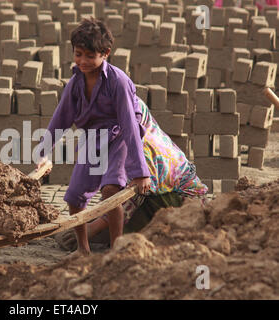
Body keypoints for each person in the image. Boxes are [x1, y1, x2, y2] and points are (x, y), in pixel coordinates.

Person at [35, 18, 208, 257]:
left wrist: (140, 173)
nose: (83, 62)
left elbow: (129, 125)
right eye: (78, 54)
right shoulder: (75, 84)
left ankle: (117, 247)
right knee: (74, 194)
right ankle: (82, 248)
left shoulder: (118, 81)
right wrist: (44, 152)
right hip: (93, 140)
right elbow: (61, 118)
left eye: (89, 56)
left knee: (111, 190)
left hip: (119, 138)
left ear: (105, 54)